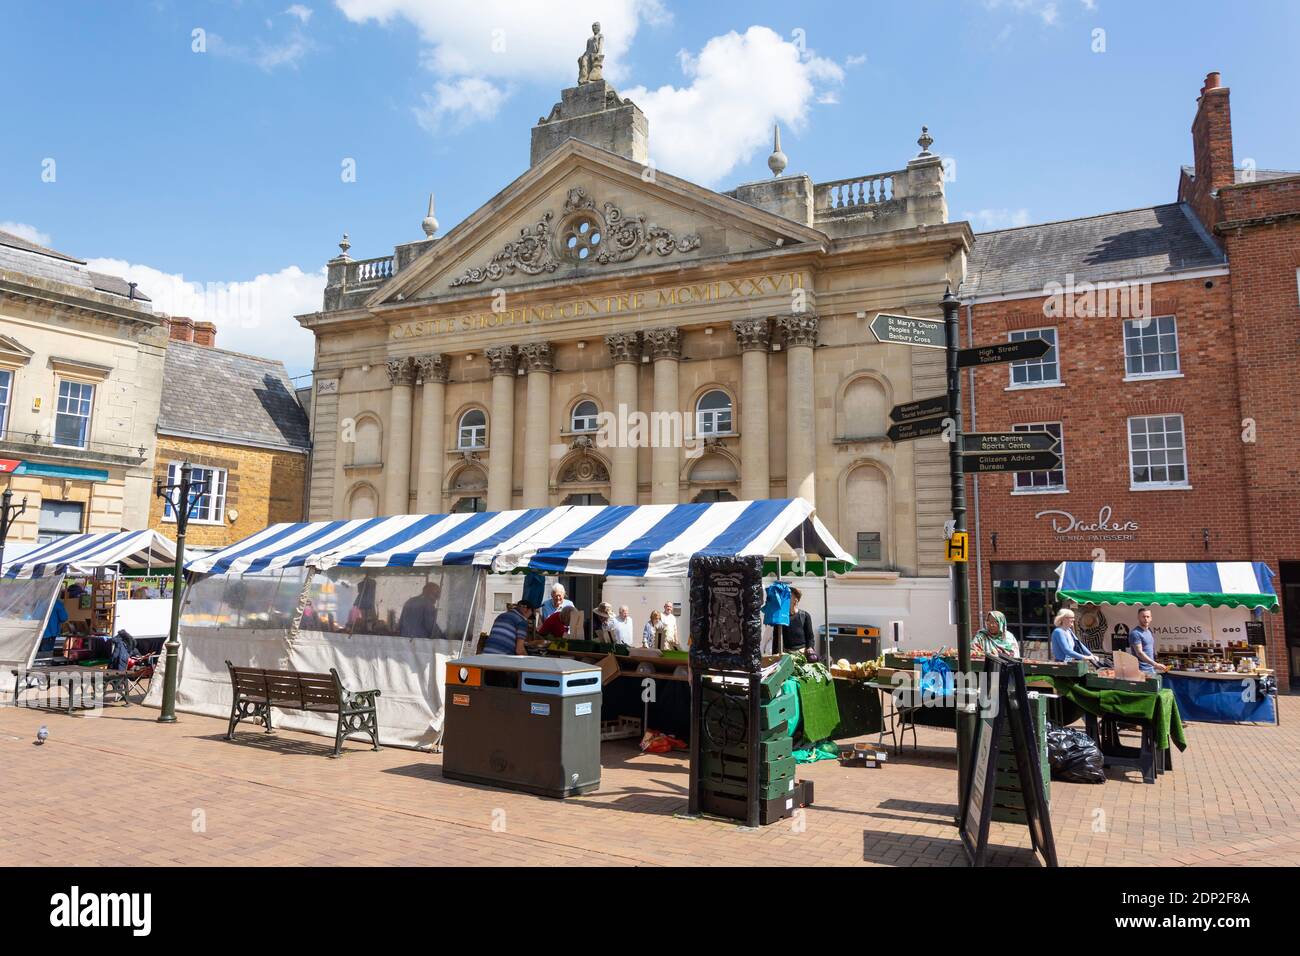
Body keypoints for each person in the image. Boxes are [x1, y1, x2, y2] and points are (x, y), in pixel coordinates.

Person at [1128, 607, 1167, 674]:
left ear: (1151, 618)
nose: (1146, 619)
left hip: (1151, 669)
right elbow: (1139, 653)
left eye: (1148, 616)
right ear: (1138, 617)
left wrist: (1154, 664)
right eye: (1143, 617)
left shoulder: (1148, 631)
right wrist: (1155, 664)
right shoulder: (1135, 633)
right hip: (1141, 671)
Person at [784, 587, 816, 655]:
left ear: (796, 600)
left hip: (802, 653)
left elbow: (810, 637)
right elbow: (776, 638)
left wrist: (810, 647)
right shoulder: (781, 617)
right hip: (785, 654)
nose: (785, 599)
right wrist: (774, 655)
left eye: (789, 597)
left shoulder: (804, 616)